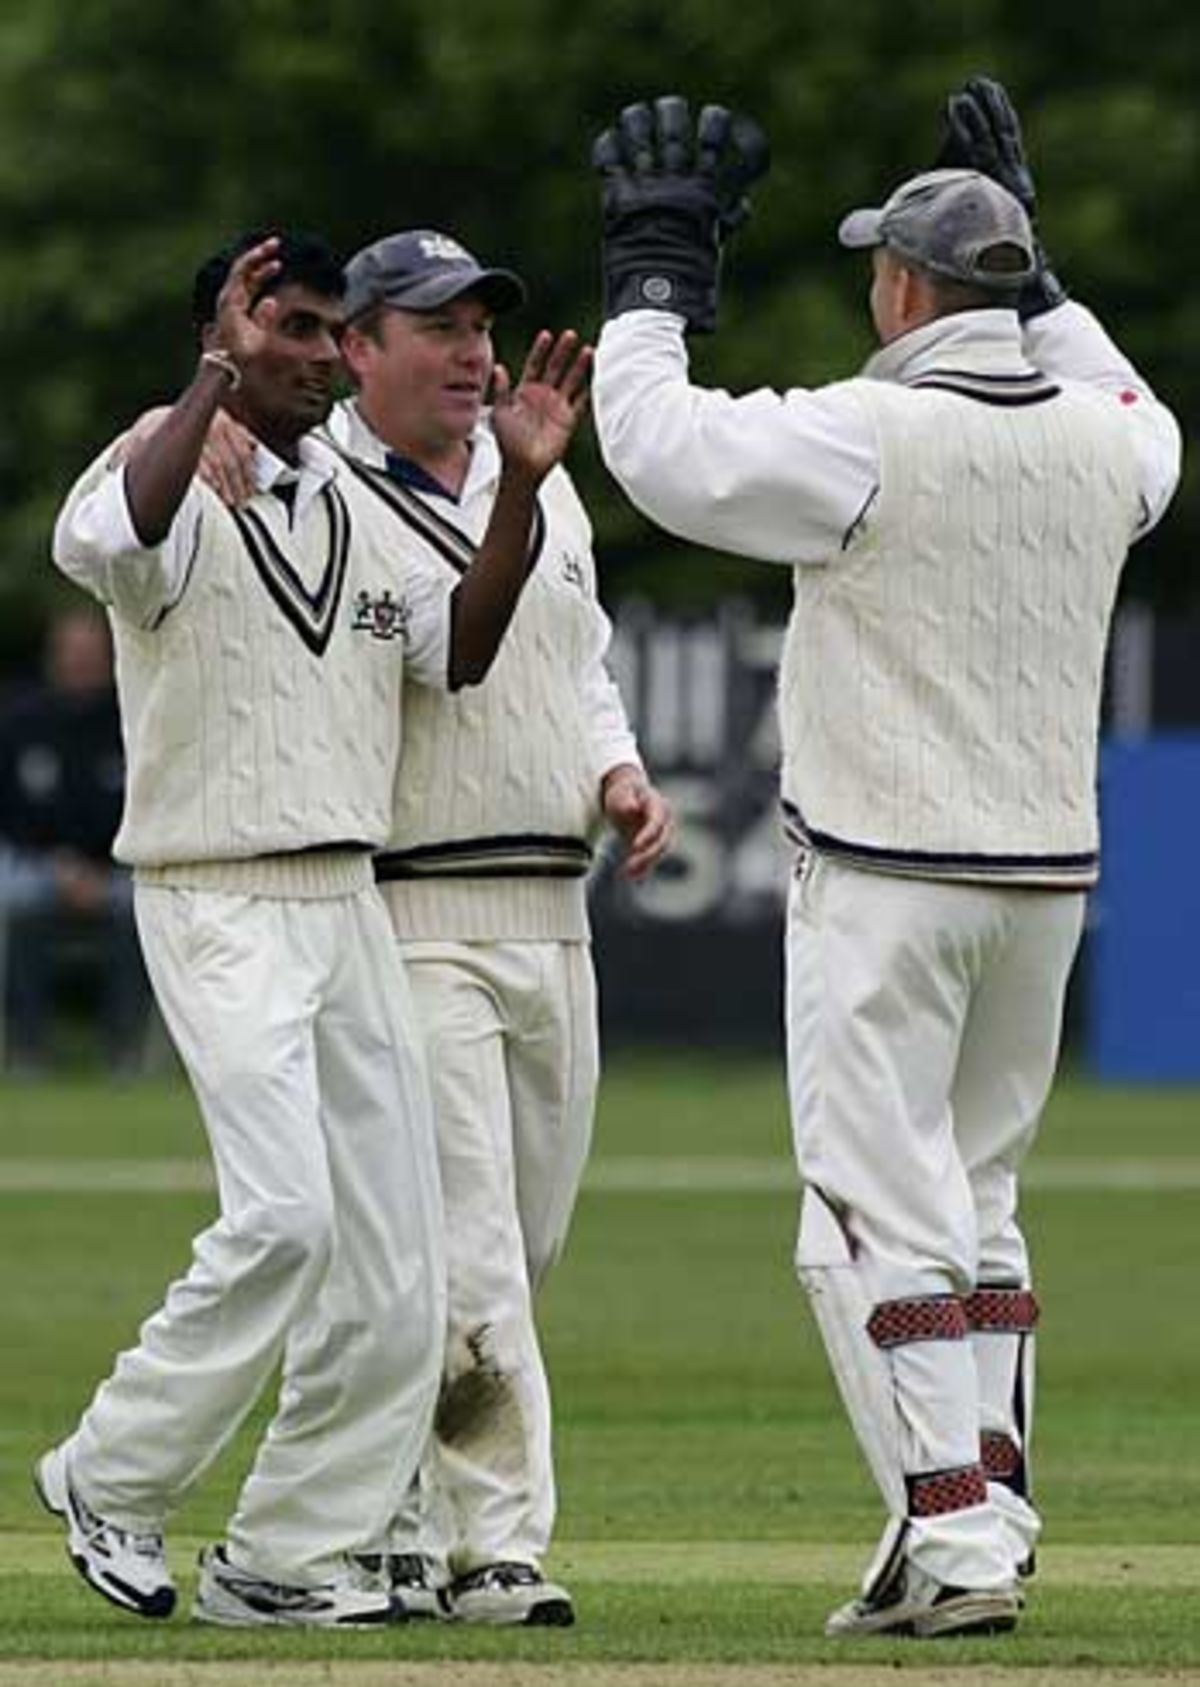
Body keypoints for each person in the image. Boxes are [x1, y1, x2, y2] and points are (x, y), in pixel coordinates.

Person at [589, 87, 1180, 1638]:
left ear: (907, 291)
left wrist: (655, 280)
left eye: (880, 270)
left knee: (865, 1212)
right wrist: (1042, 275)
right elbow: (1132, 396)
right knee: (975, 1197)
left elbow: (654, 450)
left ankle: (958, 1541)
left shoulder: (864, 431)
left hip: (885, 871)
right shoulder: (1109, 444)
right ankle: (987, 1501)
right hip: (1047, 881)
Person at [41, 228, 592, 1629]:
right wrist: (201, 388)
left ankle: (285, 1551)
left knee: (405, 1278)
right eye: (277, 324)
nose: (302, 349)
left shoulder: (350, 505)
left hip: (348, 895)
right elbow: (111, 541)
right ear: (226, 332)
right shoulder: (161, 479)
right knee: (285, 1214)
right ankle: (111, 1469)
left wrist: (520, 492)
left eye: (316, 330)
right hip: (214, 885)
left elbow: (457, 647)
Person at [199, 227, 673, 1627]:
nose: (473, 353)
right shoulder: (310, 476)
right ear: (358, 347)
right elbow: (171, 479)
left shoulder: (543, 474)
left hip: (552, 907)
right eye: (438, 328)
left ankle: (386, 1520)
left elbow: (574, 658)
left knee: (509, 1250)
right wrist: (206, 414)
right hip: (411, 906)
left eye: (482, 325)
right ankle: (493, 1545)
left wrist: (618, 767)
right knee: (459, 1252)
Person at [0, 607, 150, 1073]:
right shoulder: (20, 720)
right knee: (19, 902)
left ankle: (125, 1049)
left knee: (143, 912)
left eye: (90, 653)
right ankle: (27, 1049)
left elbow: (147, 809)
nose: (80, 663)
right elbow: (8, 810)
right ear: (54, 657)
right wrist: (60, 868)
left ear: (108, 658)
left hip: (120, 868)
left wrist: (99, 871)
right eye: (71, 653)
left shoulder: (134, 721)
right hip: (37, 865)